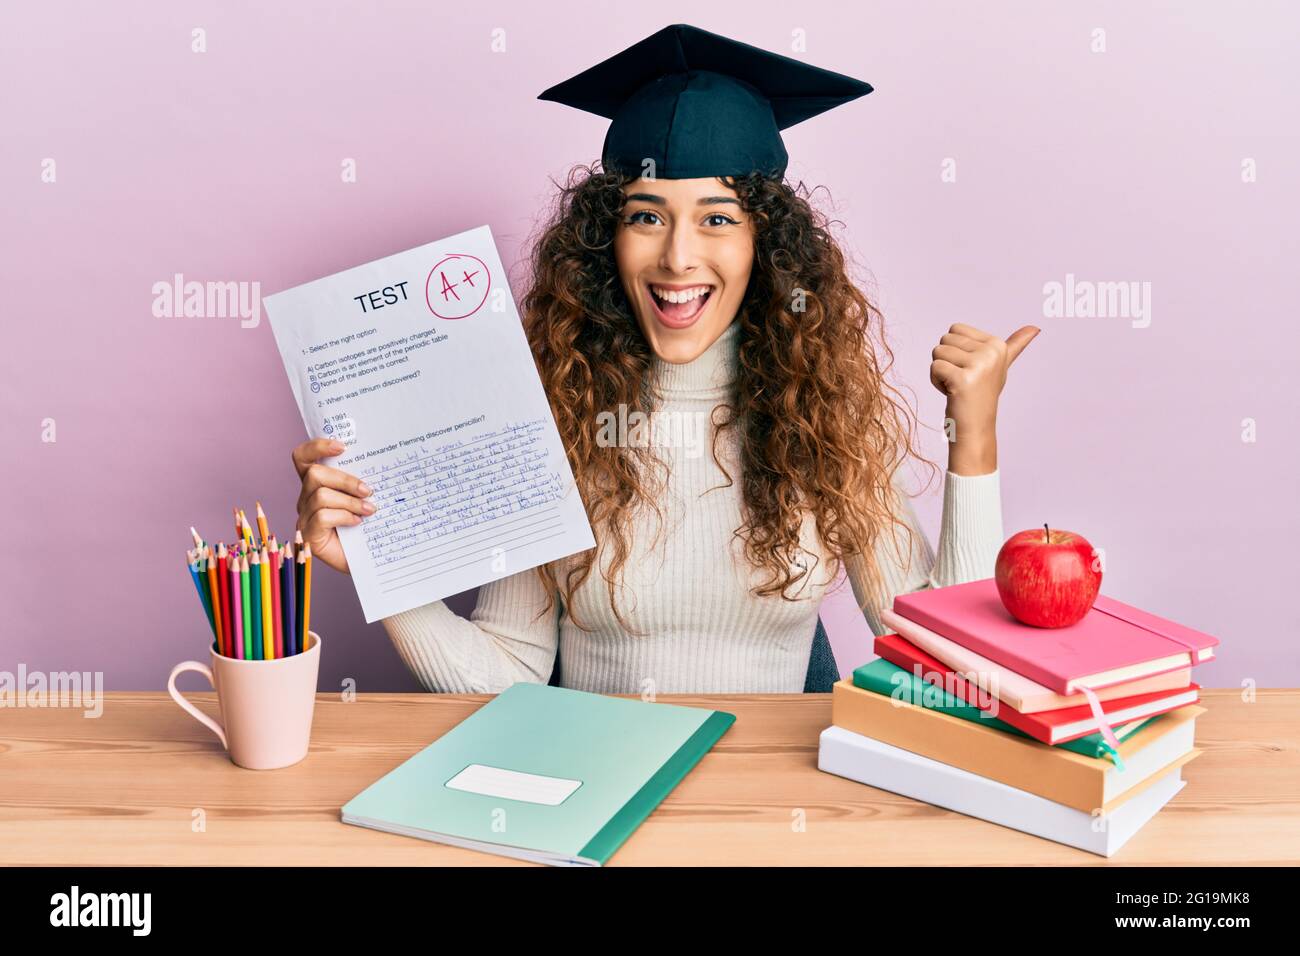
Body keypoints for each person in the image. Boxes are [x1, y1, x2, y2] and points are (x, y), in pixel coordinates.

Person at [290, 24, 1038, 694]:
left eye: (718, 219)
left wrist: (973, 436)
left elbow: (948, 666)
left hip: (768, 811)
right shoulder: (552, 416)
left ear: (766, 246)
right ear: (601, 242)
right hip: (591, 797)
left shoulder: (826, 419)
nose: (678, 257)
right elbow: (504, 675)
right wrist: (386, 572)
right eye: (645, 216)